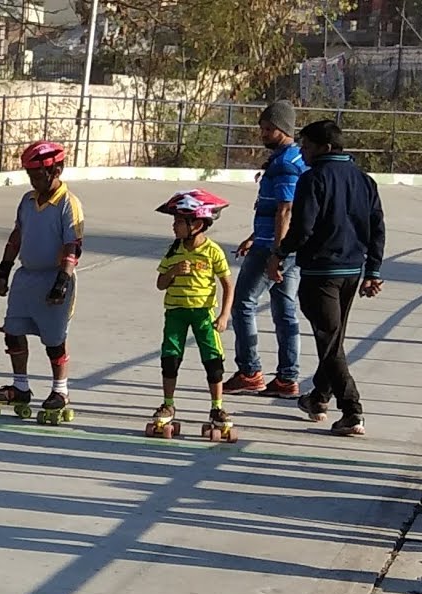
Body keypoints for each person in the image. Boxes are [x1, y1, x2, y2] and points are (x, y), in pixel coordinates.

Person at [268, 120, 385, 436]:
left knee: (330, 342)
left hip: (321, 273)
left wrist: (279, 253)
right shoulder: (365, 180)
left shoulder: (313, 178)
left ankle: (352, 410)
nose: (302, 151)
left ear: (325, 148)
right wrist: (372, 270)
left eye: (306, 146)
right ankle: (318, 398)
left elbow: (302, 227)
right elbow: (377, 228)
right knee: (331, 338)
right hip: (351, 272)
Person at [0, 141, 83, 425]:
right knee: (13, 331)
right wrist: (4, 267)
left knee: (54, 339)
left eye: (38, 176)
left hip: (54, 276)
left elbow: (72, 245)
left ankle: (60, 391)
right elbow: (17, 235)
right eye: (31, 176)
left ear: (56, 171)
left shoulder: (69, 204)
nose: (34, 181)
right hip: (26, 277)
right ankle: (21, 387)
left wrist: (63, 280)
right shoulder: (27, 201)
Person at [224, 100, 307, 398]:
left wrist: (276, 252)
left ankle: (250, 371)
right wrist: (252, 235)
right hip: (284, 245)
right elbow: (276, 210)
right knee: (285, 310)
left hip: (273, 248)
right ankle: (287, 378)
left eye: (267, 128)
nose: (262, 133)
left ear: (282, 129)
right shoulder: (295, 158)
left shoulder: (285, 164)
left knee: (242, 304)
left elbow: (285, 210)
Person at [149, 190, 236, 439]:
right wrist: (174, 271)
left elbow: (228, 284)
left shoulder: (213, 252)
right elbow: (160, 283)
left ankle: (216, 408)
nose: (173, 226)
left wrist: (224, 315)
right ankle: (168, 403)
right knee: (170, 356)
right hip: (176, 312)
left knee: (212, 359)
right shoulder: (173, 251)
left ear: (196, 224)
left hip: (203, 314)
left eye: (178, 221)